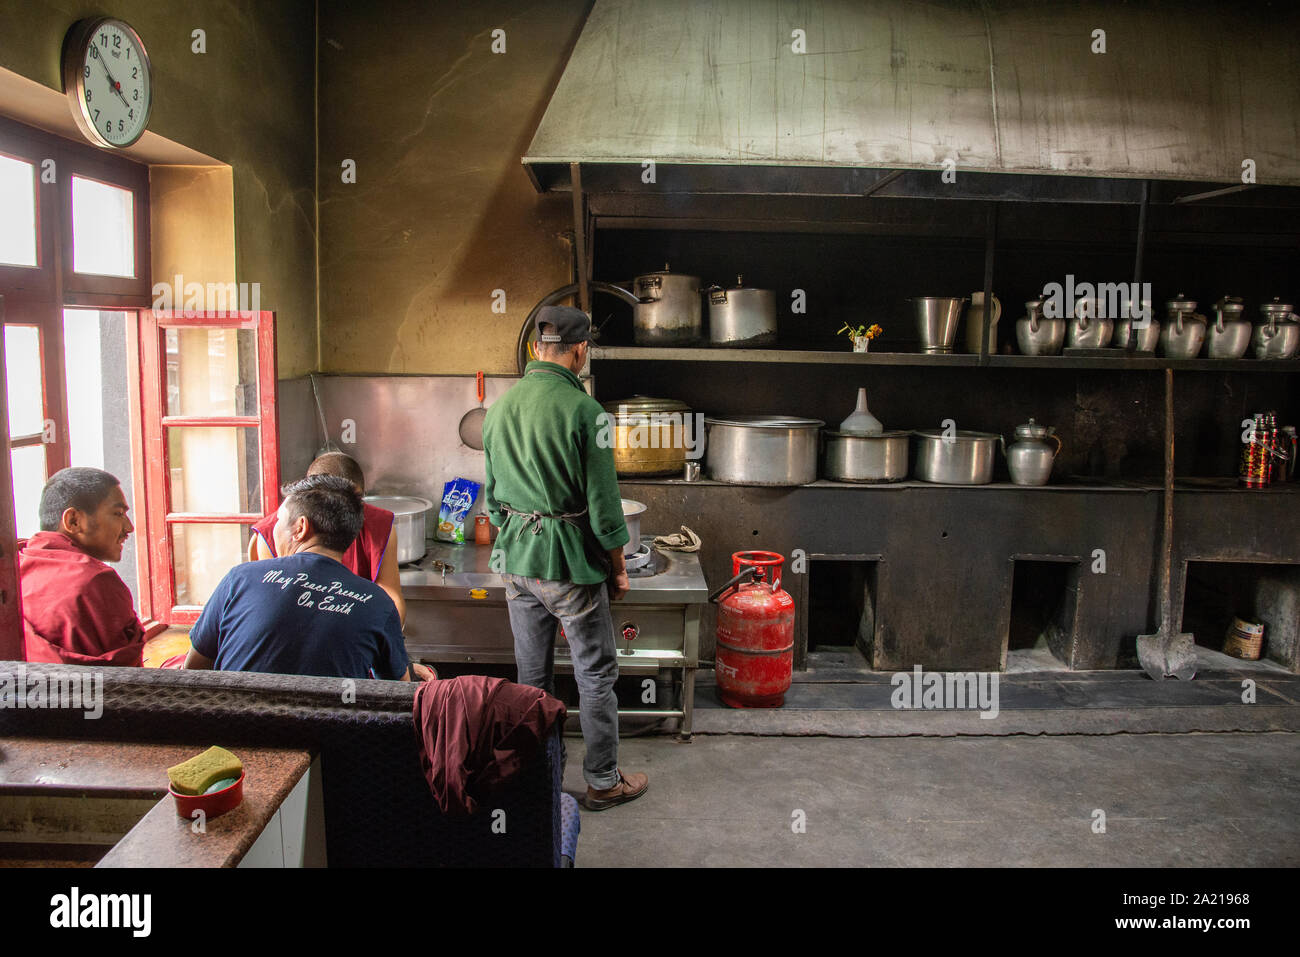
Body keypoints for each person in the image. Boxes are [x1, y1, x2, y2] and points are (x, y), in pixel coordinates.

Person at [482, 305, 648, 811]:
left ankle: (535, 782)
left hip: (516, 562)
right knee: (594, 674)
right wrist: (618, 567)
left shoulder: (500, 409)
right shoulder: (588, 413)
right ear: (581, 352)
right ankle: (601, 781)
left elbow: (491, 500)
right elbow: (603, 507)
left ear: (536, 348)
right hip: (569, 567)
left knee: (530, 677)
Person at [186, 475, 431, 681]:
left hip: (231, 736)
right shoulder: (377, 602)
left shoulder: (239, 579)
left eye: (279, 521)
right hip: (329, 736)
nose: (273, 530)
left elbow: (192, 672)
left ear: (300, 527)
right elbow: (397, 693)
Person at [247, 451, 406, 625]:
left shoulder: (378, 525)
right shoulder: (273, 532)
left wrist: (387, 635)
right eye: (333, 502)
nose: (344, 510)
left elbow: (391, 596)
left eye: (353, 502)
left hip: (358, 626)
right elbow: (274, 605)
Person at [18, 467, 145, 666]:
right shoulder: (95, 580)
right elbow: (124, 679)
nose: (129, 528)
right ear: (73, 521)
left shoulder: (16, 564)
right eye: (118, 513)